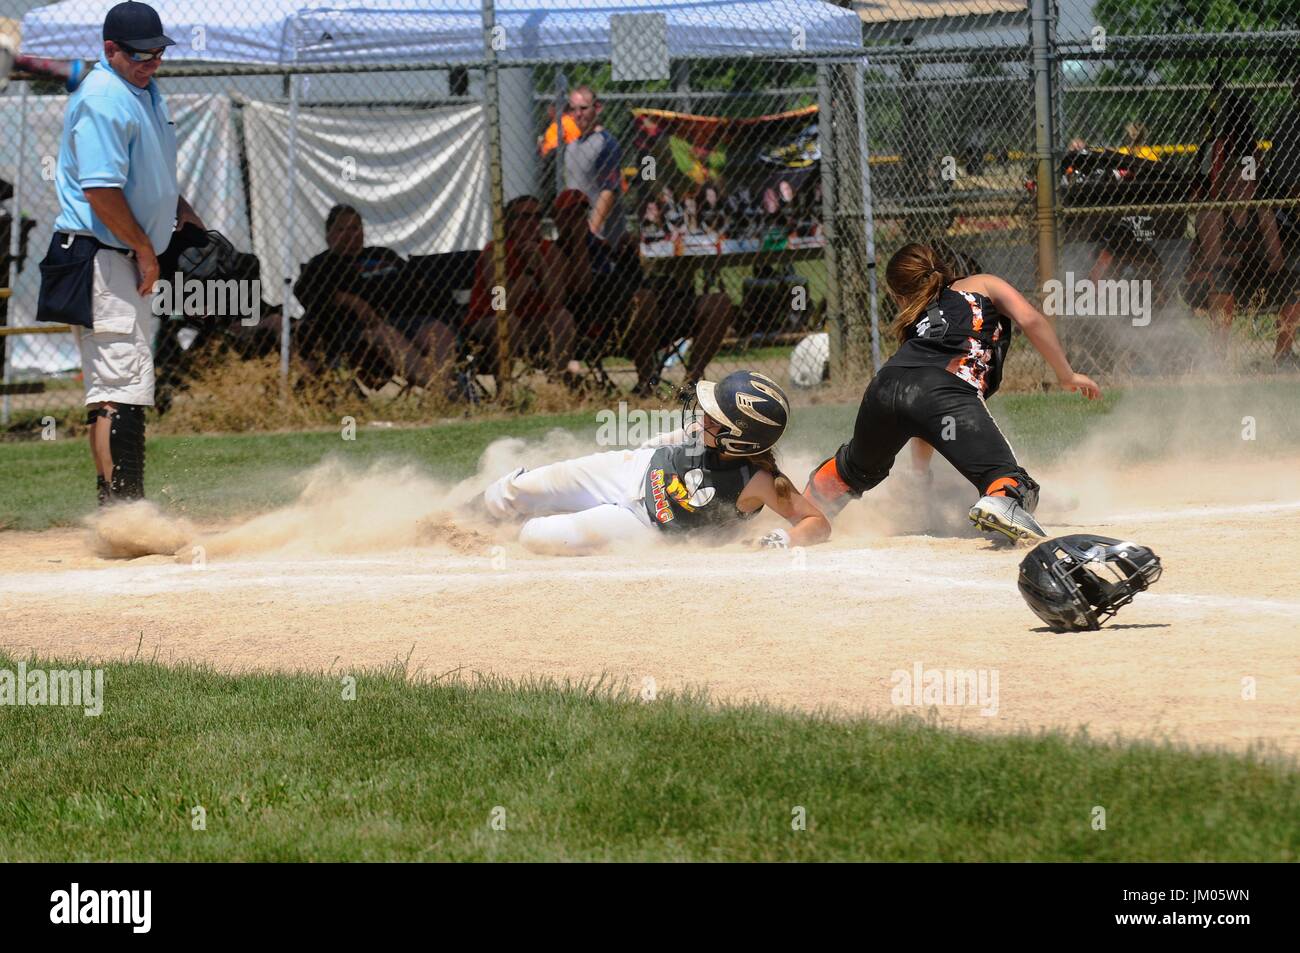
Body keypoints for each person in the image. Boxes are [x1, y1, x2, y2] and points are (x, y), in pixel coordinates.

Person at [803, 242, 1101, 543]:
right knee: (1011, 480)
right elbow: (1032, 319)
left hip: (884, 386)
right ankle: (1002, 499)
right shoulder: (983, 283)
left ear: (899, 295)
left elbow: (916, 414)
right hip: (945, 387)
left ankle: (805, 508)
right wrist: (1067, 374)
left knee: (854, 470)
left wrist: (920, 479)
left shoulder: (916, 321)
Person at [35, 1, 204, 506]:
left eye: (158, 52)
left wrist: (183, 211)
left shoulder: (146, 91)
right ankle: (122, 511)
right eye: (141, 53)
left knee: (128, 378)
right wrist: (146, 250)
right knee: (118, 385)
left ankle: (125, 505)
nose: (152, 61)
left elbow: (148, 173)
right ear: (110, 50)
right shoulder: (104, 98)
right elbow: (102, 190)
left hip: (122, 255)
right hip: (101, 257)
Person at [472, 370, 830, 555]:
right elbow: (667, 441)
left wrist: (781, 540)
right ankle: (461, 517)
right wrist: (646, 448)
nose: (704, 415)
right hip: (633, 469)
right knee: (522, 488)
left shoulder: (758, 480)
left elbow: (816, 522)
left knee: (539, 537)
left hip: (643, 524)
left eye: (716, 417)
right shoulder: (702, 431)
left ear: (741, 439)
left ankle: (508, 530)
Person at [1185, 92, 1300, 365]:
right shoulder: (1214, 212)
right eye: (1235, 182)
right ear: (1223, 184)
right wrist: (1243, 261)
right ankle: (1217, 360)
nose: (1242, 187)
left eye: (1248, 182)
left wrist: (1254, 263)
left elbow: (1276, 261)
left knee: (1291, 282)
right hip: (1209, 283)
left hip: (1248, 278)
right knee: (1222, 278)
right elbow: (1213, 262)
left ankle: (1283, 354)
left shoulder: (1261, 211)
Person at [294, 204, 456, 391]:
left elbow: (416, 280)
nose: (350, 234)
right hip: (362, 329)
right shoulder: (322, 264)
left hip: (408, 317)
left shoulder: (382, 254)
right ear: (329, 236)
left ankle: (442, 386)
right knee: (388, 335)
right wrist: (350, 301)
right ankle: (443, 390)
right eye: (342, 229)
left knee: (440, 332)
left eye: (355, 228)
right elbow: (305, 292)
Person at [464, 194, 582, 383]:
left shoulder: (548, 250)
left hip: (531, 323)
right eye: (525, 216)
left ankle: (557, 382)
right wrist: (528, 272)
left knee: (563, 317)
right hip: (489, 322)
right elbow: (500, 305)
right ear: (509, 222)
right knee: (509, 321)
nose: (532, 222)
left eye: (537, 216)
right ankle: (505, 390)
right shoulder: (495, 251)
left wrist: (541, 264)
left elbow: (557, 300)